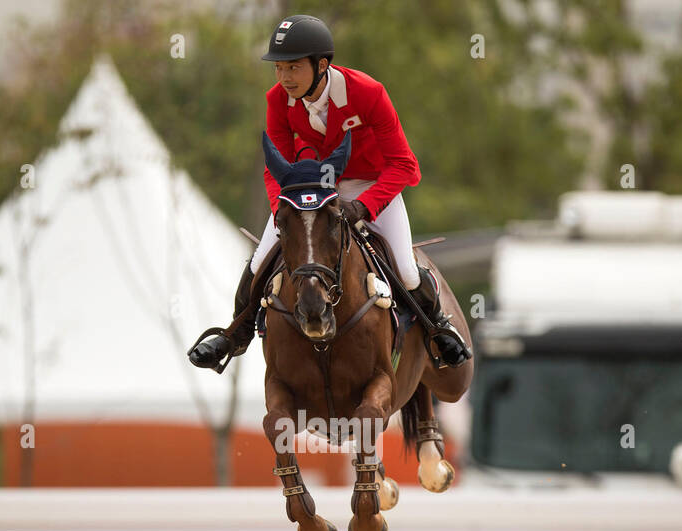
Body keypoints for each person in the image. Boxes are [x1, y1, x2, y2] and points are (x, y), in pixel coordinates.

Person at [187, 14, 472, 371]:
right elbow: (275, 168)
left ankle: (438, 329)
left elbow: (404, 165)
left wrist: (363, 207)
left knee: (406, 270)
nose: (284, 77)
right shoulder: (277, 100)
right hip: (311, 194)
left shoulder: (367, 93)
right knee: (259, 262)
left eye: (293, 67)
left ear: (321, 65)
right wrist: (281, 209)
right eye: (278, 68)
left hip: (371, 186)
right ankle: (235, 333)